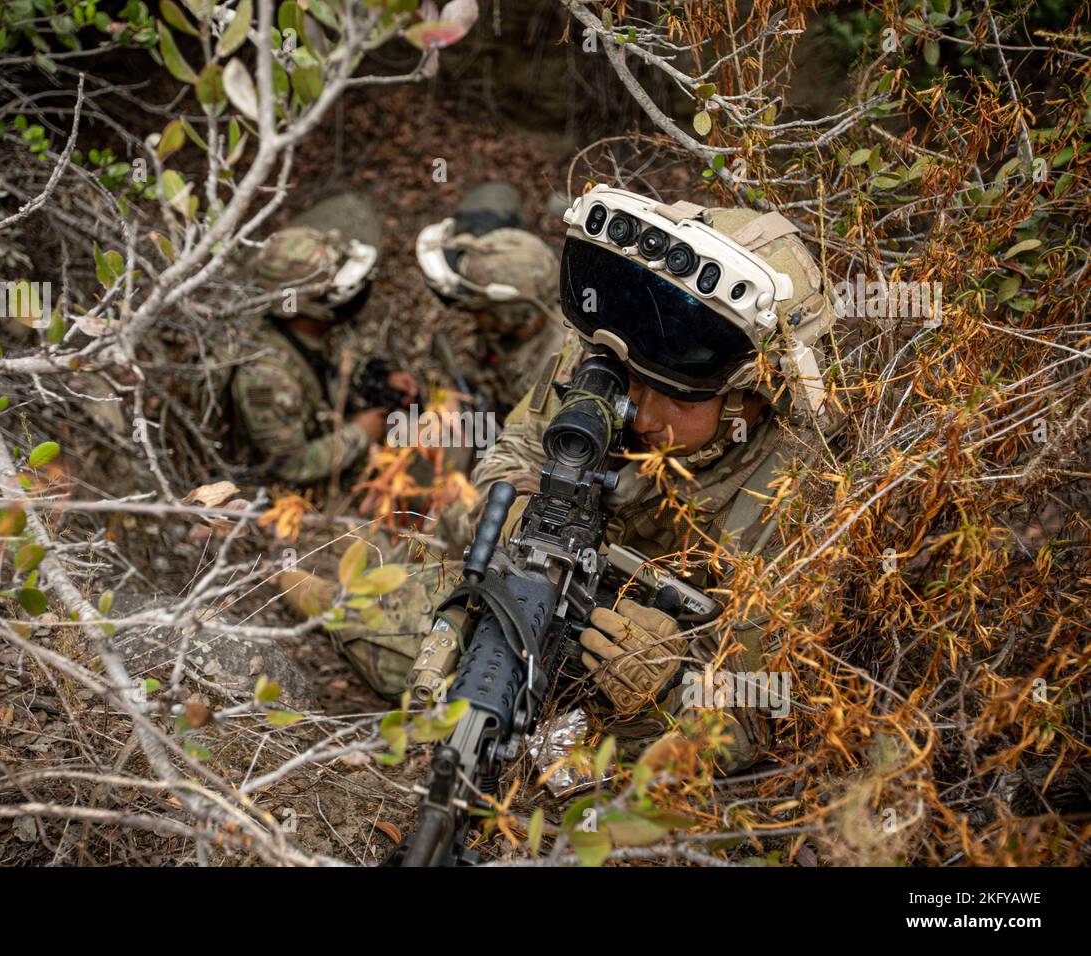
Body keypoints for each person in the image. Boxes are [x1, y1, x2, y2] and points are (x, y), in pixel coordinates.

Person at [453, 185, 838, 773]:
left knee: (590, 769)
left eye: (679, 399)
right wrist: (513, 518)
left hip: (638, 681)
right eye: (632, 381)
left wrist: (668, 682)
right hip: (540, 609)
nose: (641, 413)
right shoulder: (601, 360)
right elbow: (509, 457)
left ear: (755, 395)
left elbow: (766, 711)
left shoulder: (796, 492)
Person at [228, 193, 417, 488]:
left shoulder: (307, 331)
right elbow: (289, 465)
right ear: (306, 306)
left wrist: (381, 377)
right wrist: (359, 433)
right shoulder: (265, 378)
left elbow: (327, 364)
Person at [415, 182, 567, 418]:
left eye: (480, 310)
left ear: (513, 316)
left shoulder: (558, 373)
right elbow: (476, 363)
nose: (473, 316)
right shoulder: (506, 332)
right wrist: (452, 393)